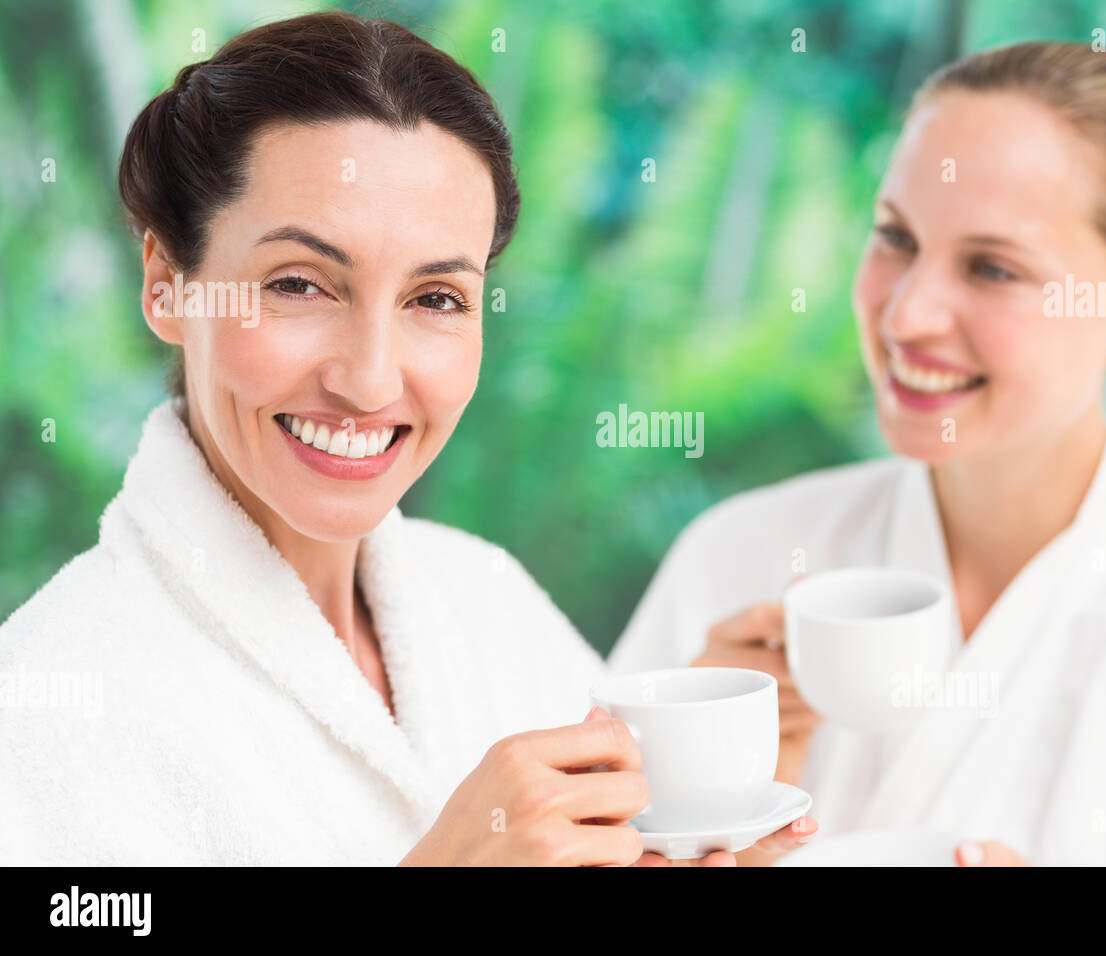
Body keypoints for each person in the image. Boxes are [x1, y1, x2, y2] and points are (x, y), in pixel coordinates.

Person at [0, 11, 811, 867]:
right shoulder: (46, 708)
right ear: (167, 287)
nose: (372, 381)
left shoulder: (487, 603)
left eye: (435, 299)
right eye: (301, 285)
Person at [610, 41, 1106, 866]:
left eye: (993, 268)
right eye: (896, 238)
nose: (907, 316)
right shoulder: (737, 562)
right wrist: (691, 799)